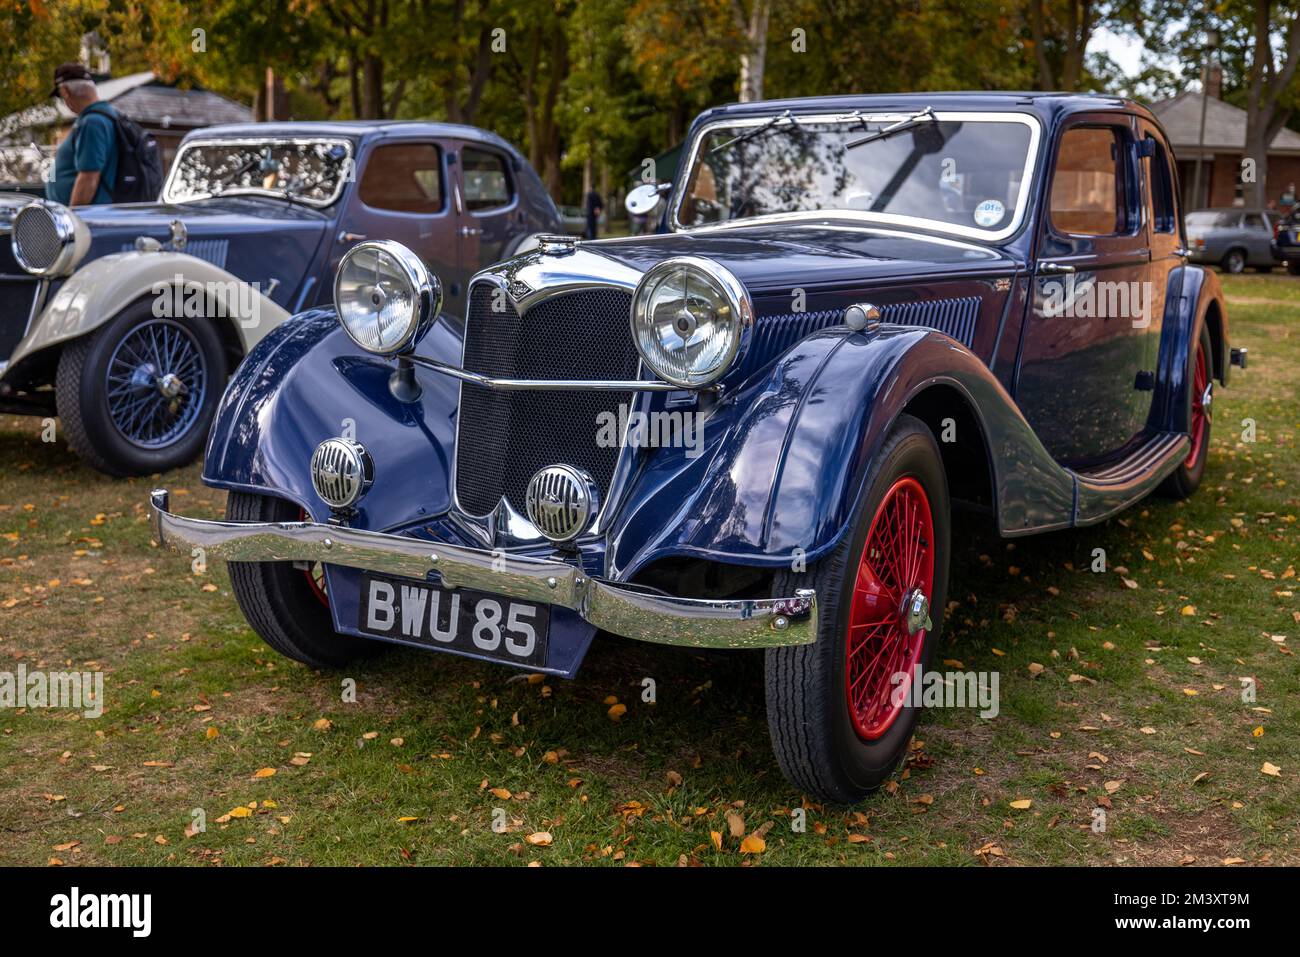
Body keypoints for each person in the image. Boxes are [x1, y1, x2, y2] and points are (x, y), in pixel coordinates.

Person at [46, 62, 118, 206]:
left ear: (65, 91)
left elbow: (89, 177)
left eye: (61, 96)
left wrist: (74, 219)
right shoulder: (106, 117)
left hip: (87, 219)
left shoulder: (92, 122)